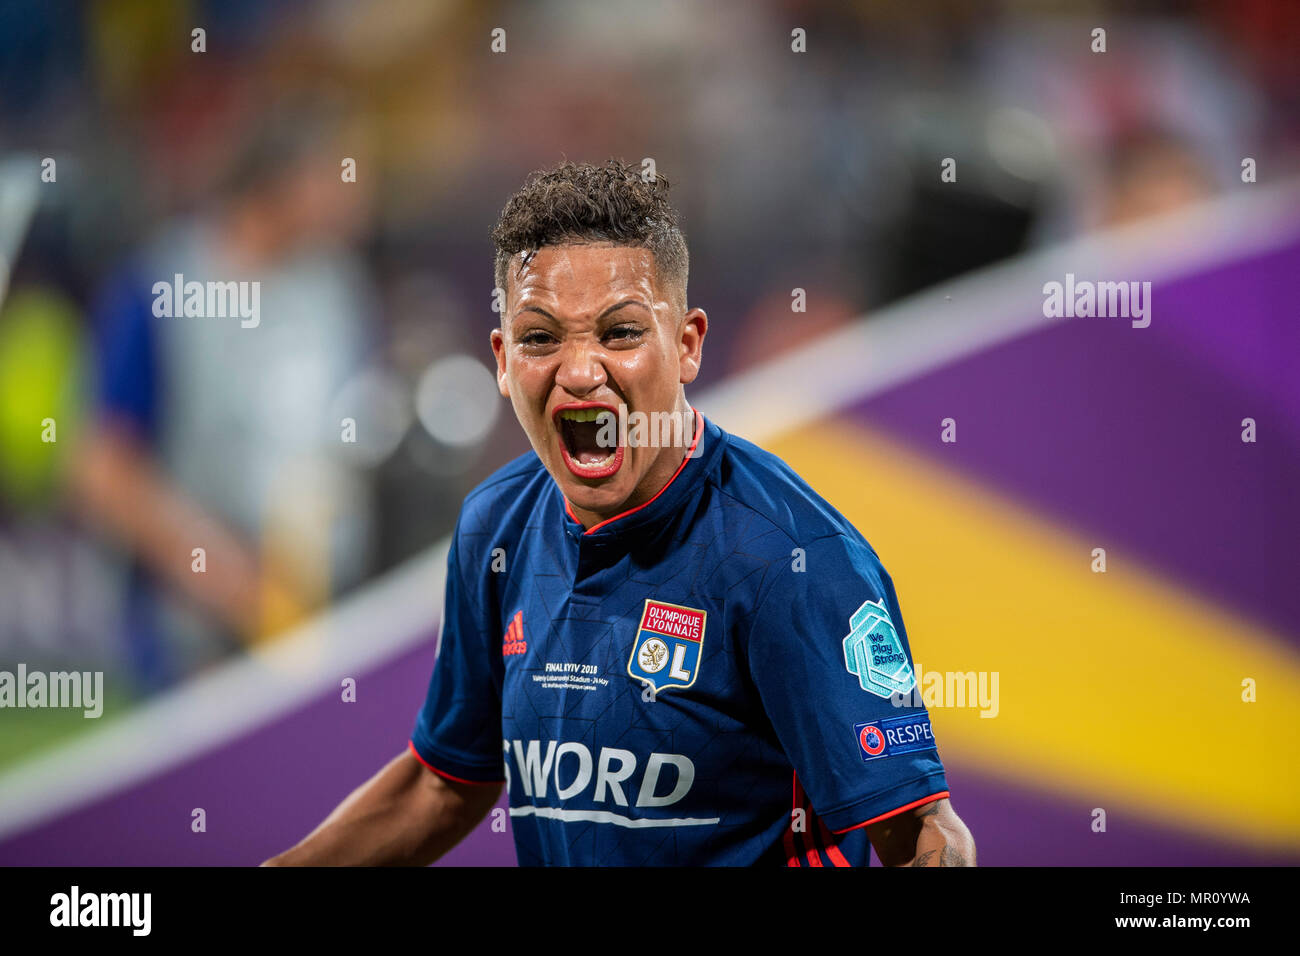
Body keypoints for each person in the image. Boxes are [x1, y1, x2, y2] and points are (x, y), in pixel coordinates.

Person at [265, 160, 975, 866]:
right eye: (541, 337)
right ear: (503, 359)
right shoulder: (496, 529)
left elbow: (922, 833)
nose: (579, 371)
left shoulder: (789, 558)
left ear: (687, 345)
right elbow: (442, 785)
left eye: (621, 332)